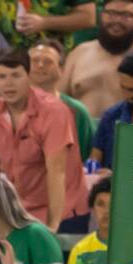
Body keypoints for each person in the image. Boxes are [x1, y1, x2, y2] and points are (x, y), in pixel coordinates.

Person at [0, 49, 88, 232]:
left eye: (16, 76)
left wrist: (53, 226)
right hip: (21, 211)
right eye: (2, 77)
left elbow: (57, 171)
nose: (8, 83)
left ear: (28, 77)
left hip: (66, 210)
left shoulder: (54, 112)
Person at [0, 0, 96, 104]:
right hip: (2, 51)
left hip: (48, 49)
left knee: (43, 56)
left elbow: (88, 17)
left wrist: (45, 22)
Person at [28, 39, 93, 169]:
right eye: (34, 61)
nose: (40, 65)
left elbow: (85, 158)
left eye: (48, 62)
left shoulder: (77, 111)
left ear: (62, 70)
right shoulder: (7, 108)